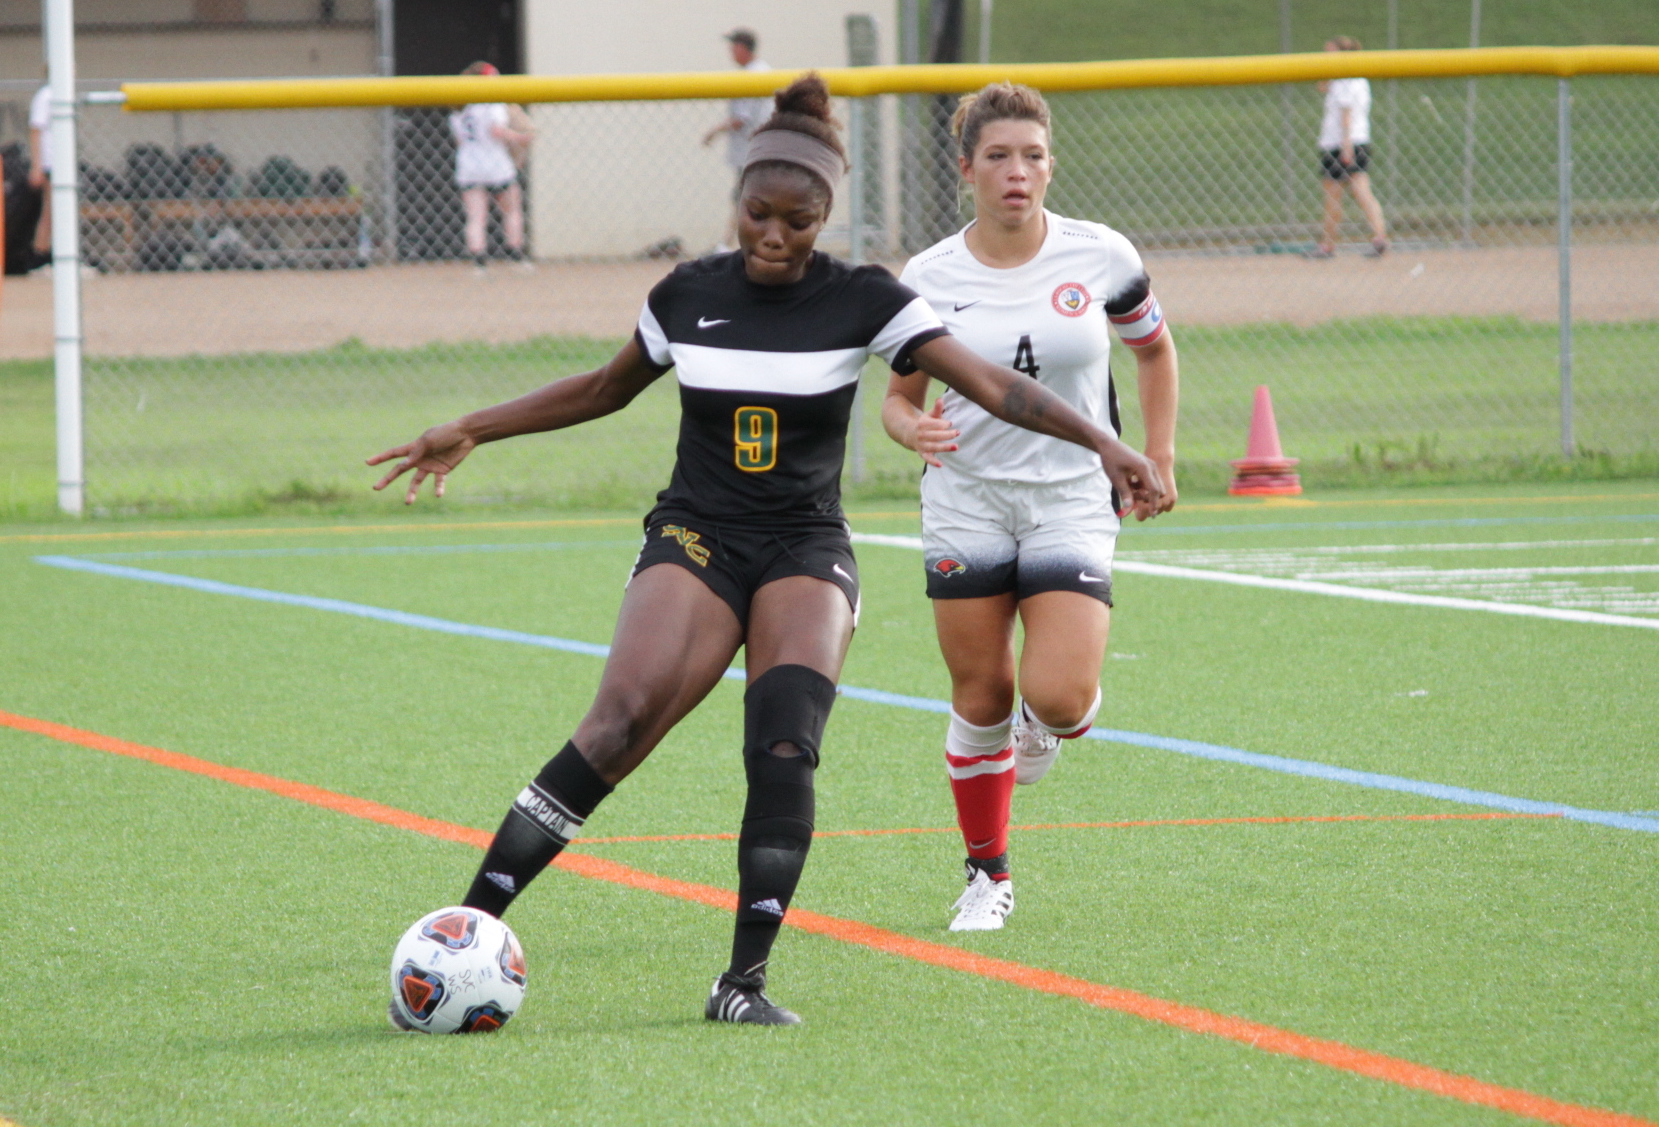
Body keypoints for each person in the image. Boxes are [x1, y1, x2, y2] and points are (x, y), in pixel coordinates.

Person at [369, 75, 1164, 1025]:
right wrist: (473, 426)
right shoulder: (686, 292)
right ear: (736, 204)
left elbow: (994, 385)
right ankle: (470, 927)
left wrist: (1109, 443)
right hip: (697, 536)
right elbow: (600, 390)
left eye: (797, 219)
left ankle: (740, 983)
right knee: (620, 721)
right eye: (757, 213)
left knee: (784, 744)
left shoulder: (866, 297)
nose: (774, 235)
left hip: (803, 546)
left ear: (824, 215)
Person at [882, 82, 1179, 932]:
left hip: (1071, 499)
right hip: (966, 503)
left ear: (1052, 164)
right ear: (967, 167)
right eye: (1000, 157)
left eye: (1034, 156)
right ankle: (987, 875)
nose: (1018, 172)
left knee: (1053, 696)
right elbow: (898, 399)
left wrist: (1155, 455)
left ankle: (1043, 728)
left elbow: (1154, 351)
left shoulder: (1102, 255)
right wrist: (912, 432)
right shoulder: (929, 276)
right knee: (979, 691)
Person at [449, 61, 535, 274]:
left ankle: (479, 262)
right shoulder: (493, 104)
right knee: (512, 209)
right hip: (496, 164)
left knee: (476, 216)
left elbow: (459, 141)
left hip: (469, 165)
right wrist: (520, 137)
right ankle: (516, 255)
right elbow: (497, 131)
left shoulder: (459, 107)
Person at [1311, 36, 1388, 258]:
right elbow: (1321, 86)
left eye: (1330, 53)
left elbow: (1346, 115)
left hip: (1341, 143)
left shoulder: (1346, 79)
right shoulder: (1357, 78)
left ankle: (1328, 245)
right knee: (1362, 192)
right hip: (1358, 141)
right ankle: (1379, 236)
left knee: (1336, 196)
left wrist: (1346, 147)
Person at [701, 28, 772, 252]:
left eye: (733, 47)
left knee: (746, 199)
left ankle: (729, 244)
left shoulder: (751, 76)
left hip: (751, 151)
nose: (731, 52)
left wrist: (713, 132)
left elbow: (741, 118)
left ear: (743, 49)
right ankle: (734, 242)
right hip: (763, 149)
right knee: (750, 198)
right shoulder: (764, 71)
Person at [27, 78, 52, 271]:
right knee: (49, 211)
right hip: (49, 163)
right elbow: (35, 130)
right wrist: (37, 166)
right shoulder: (46, 95)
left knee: (57, 211)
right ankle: (40, 257)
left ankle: (52, 254)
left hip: (61, 163)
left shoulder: (62, 93)